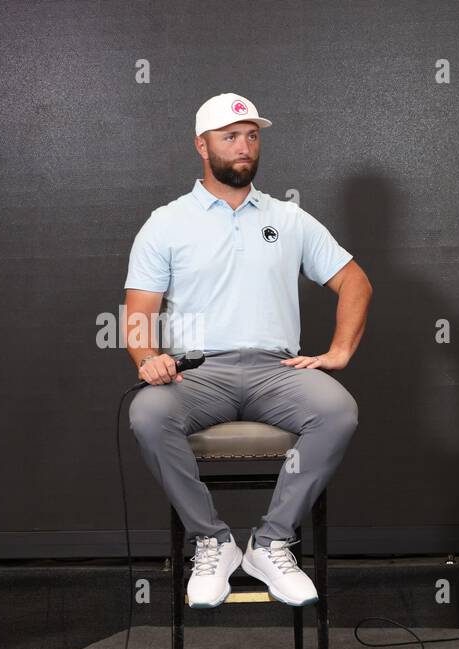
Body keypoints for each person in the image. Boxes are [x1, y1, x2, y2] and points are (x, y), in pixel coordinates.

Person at [125, 93, 371, 608]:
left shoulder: (290, 218)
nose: (244, 146)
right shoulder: (166, 222)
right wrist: (149, 359)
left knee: (337, 410)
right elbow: (139, 312)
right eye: (230, 136)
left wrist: (339, 350)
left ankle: (272, 540)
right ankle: (212, 541)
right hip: (198, 373)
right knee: (147, 414)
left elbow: (355, 282)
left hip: (275, 370)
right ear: (202, 145)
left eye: (252, 135)